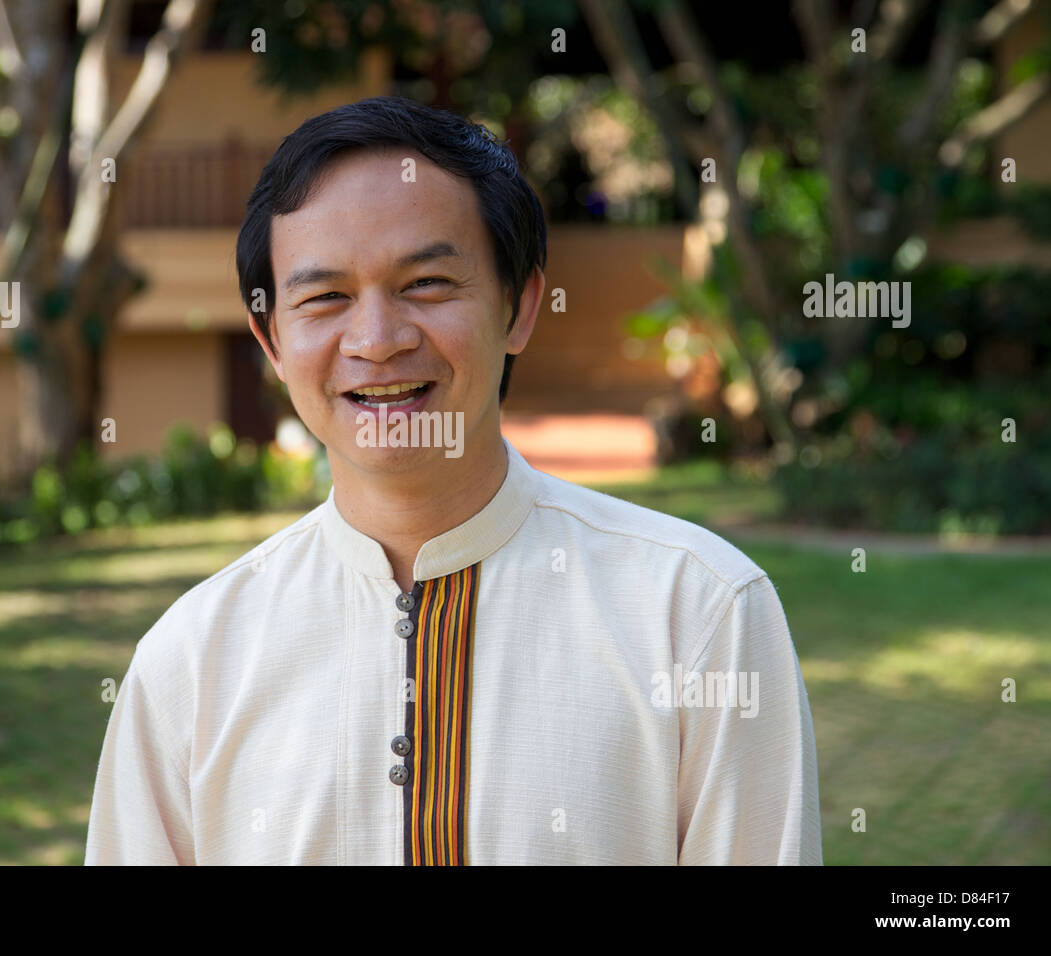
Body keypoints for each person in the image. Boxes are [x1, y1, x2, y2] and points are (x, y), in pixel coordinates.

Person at [85, 96, 822, 865]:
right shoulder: (191, 662)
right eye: (325, 298)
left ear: (519, 306)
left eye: (427, 284)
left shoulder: (698, 615)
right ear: (272, 340)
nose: (376, 340)